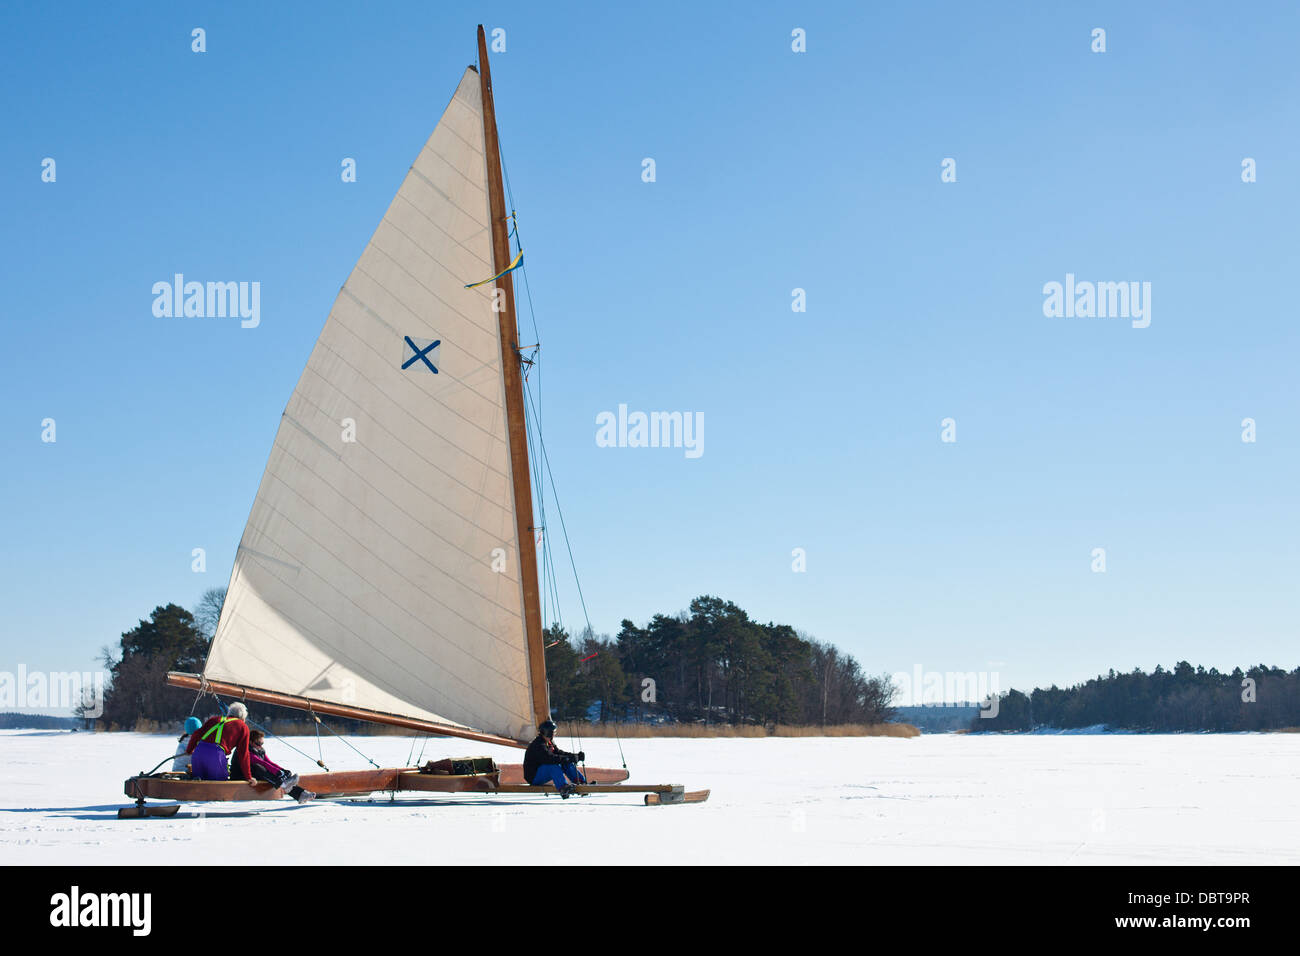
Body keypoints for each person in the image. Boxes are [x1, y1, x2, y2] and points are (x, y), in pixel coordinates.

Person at [185, 702, 254, 783]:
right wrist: (248, 777)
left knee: (198, 786)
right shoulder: (243, 726)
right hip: (216, 756)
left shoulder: (214, 719)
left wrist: (189, 750)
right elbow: (243, 754)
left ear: (229, 713)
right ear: (243, 718)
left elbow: (196, 734)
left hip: (198, 753)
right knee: (220, 787)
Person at [248, 730, 315, 804]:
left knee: (283, 779)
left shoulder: (260, 750)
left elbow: (269, 762)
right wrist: (277, 772)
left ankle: (301, 795)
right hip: (245, 775)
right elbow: (262, 763)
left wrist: (282, 770)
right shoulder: (247, 751)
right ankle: (289, 787)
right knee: (259, 767)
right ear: (250, 742)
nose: (260, 746)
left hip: (258, 774)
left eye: (262, 743)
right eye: (258, 743)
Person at [523, 719, 587, 797]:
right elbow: (549, 759)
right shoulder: (538, 744)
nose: (554, 734)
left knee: (565, 763)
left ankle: (581, 782)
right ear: (548, 733)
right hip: (533, 776)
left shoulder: (549, 742)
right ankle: (563, 788)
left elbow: (559, 753)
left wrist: (574, 756)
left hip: (542, 772)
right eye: (553, 732)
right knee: (553, 766)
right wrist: (567, 758)